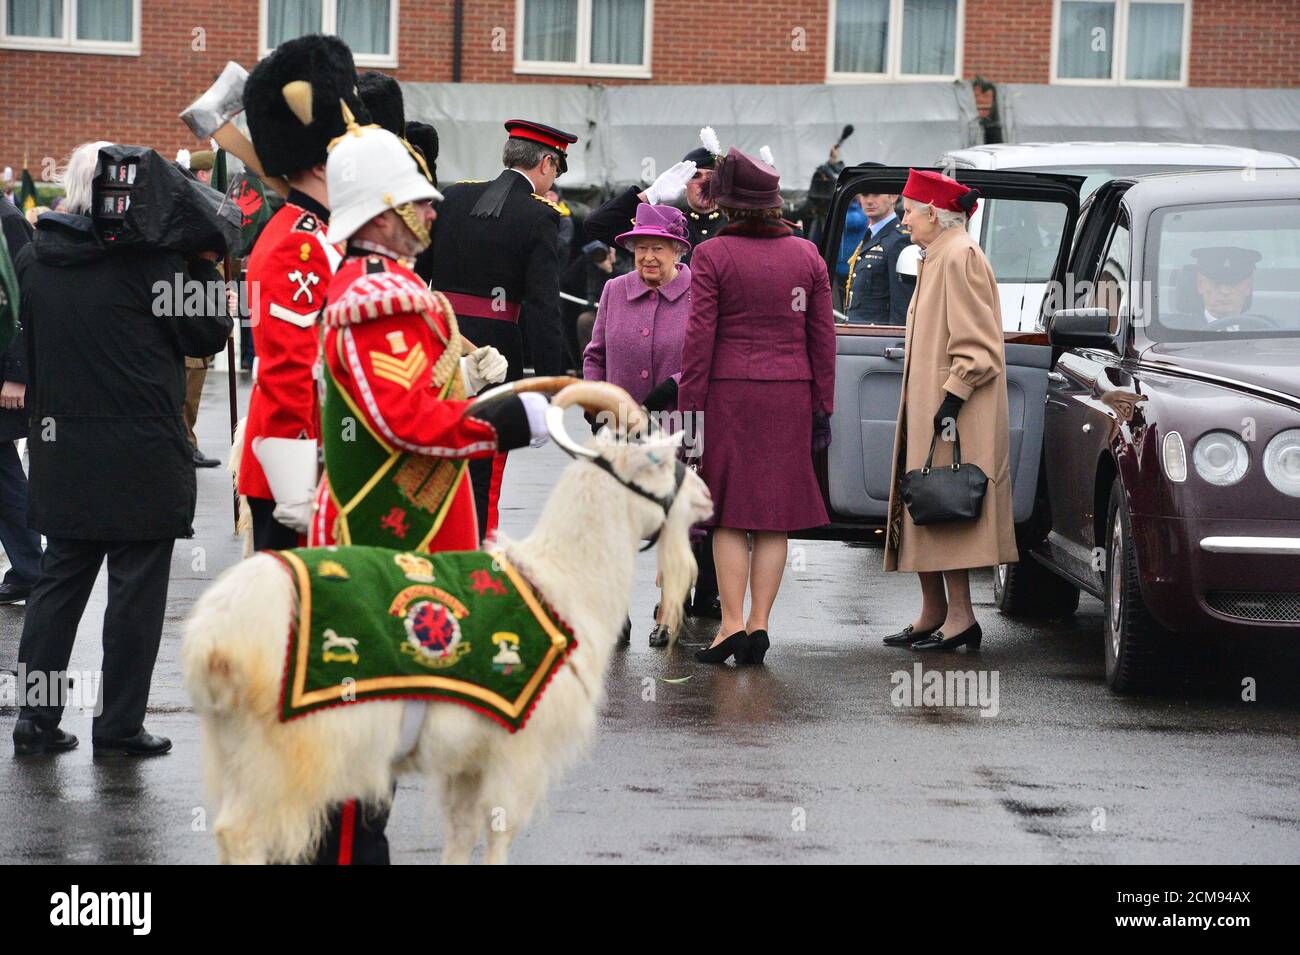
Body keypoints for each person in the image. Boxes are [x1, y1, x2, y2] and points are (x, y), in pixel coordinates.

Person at [297, 120, 545, 865]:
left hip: (394, 536)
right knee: (361, 757)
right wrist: (502, 423)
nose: (434, 211)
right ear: (381, 213)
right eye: (417, 200)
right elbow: (404, 419)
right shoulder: (378, 298)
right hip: (381, 544)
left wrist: (464, 384)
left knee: (383, 740)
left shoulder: (393, 291)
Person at [11, 141, 233, 756]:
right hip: (141, 454)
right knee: (134, 596)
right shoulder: (153, 264)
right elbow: (210, 330)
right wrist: (203, 259)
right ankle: (118, 726)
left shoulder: (38, 257)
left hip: (64, 451)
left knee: (59, 585)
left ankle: (35, 717)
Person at [679, 148, 835, 666]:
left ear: (729, 206)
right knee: (773, 518)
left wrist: (688, 412)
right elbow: (823, 338)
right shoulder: (807, 255)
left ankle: (729, 626)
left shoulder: (713, 256)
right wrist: (822, 406)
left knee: (727, 514)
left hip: (729, 394)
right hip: (790, 393)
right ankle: (761, 624)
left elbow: (698, 340)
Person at [236, 34, 370, 549]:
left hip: (325, 456)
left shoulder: (326, 236)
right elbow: (289, 368)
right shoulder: (301, 246)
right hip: (293, 468)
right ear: (320, 164)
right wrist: (299, 478)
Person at [882, 169, 1017, 652]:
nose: (903, 220)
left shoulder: (959, 255)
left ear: (934, 214)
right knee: (927, 503)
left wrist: (951, 399)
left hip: (955, 412)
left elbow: (980, 348)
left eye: (909, 211)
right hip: (938, 409)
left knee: (947, 508)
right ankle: (933, 612)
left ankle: (961, 618)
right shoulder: (936, 254)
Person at [427, 119, 575, 541]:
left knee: (434, 447)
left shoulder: (452, 197)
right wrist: (551, 386)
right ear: (547, 163)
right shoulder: (539, 216)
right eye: (557, 170)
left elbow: (419, 278)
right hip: (495, 355)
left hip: (438, 340)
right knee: (485, 463)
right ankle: (475, 547)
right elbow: (544, 307)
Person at [583, 203, 694, 646]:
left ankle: (670, 611)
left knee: (674, 519)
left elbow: (707, 357)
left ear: (677, 251)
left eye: (658, 248)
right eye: (640, 248)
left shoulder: (699, 291)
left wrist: (674, 387)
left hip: (683, 424)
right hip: (621, 427)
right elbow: (595, 355)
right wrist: (595, 403)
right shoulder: (614, 289)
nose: (648, 257)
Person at [0, 195, 43, 605]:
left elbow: (22, 301)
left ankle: (32, 567)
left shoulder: (8, 221)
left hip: (3, 370)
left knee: (3, 473)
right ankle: (30, 567)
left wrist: (16, 373)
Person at [583, 142, 724, 265]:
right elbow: (596, 224)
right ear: (683, 182)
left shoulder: (736, 228)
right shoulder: (666, 227)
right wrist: (650, 194)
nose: (703, 184)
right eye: (695, 176)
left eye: (711, 177)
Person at [845, 192, 912, 326]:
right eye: (865, 195)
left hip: (879, 339)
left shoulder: (899, 240)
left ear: (893, 197)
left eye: (875, 195)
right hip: (860, 333)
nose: (869, 201)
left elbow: (901, 305)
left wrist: (895, 342)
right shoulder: (871, 235)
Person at [834, 195, 868, 310]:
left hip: (847, 263)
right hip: (847, 263)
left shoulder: (855, 214)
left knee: (847, 296)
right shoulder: (860, 212)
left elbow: (852, 221)